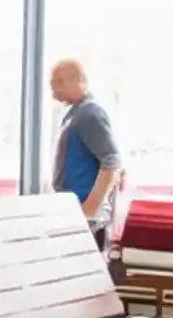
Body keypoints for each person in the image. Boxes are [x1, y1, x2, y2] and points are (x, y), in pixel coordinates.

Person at [49, 58, 123, 250]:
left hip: (87, 217)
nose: (54, 89)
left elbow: (112, 162)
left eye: (59, 82)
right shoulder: (74, 114)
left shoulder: (89, 114)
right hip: (73, 211)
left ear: (79, 81)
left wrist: (89, 210)